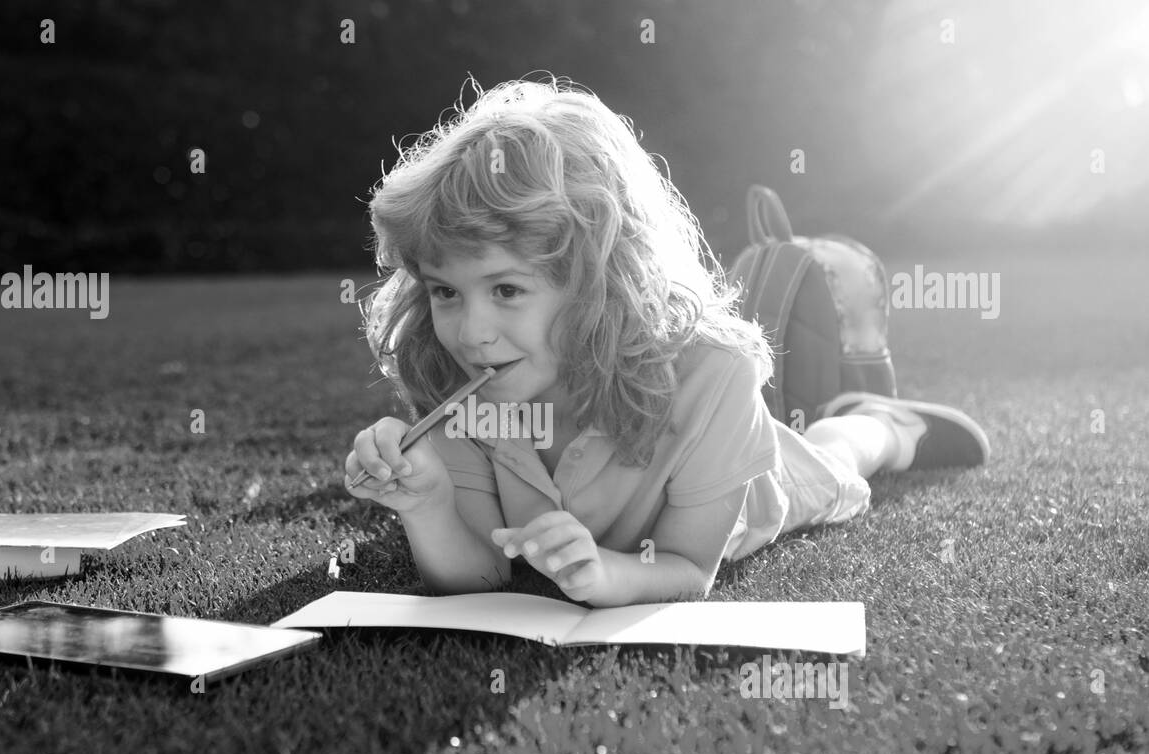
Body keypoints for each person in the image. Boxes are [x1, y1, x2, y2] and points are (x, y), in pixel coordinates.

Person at [344, 77, 988, 608]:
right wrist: (428, 505)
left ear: (599, 284)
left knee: (836, 461)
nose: (470, 333)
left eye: (507, 290)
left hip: (754, 494)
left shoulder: (714, 375)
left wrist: (611, 575)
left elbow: (686, 568)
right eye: (445, 292)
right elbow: (484, 578)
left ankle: (881, 423)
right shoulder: (463, 384)